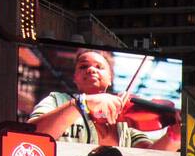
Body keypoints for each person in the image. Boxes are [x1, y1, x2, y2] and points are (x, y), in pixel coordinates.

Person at [27, 48, 179, 150]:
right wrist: (81, 103)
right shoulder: (57, 100)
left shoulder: (124, 121)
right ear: (75, 78)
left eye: (99, 67)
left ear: (110, 78)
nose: (91, 69)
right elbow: (29, 138)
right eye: (83, 66)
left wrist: (174, 136)